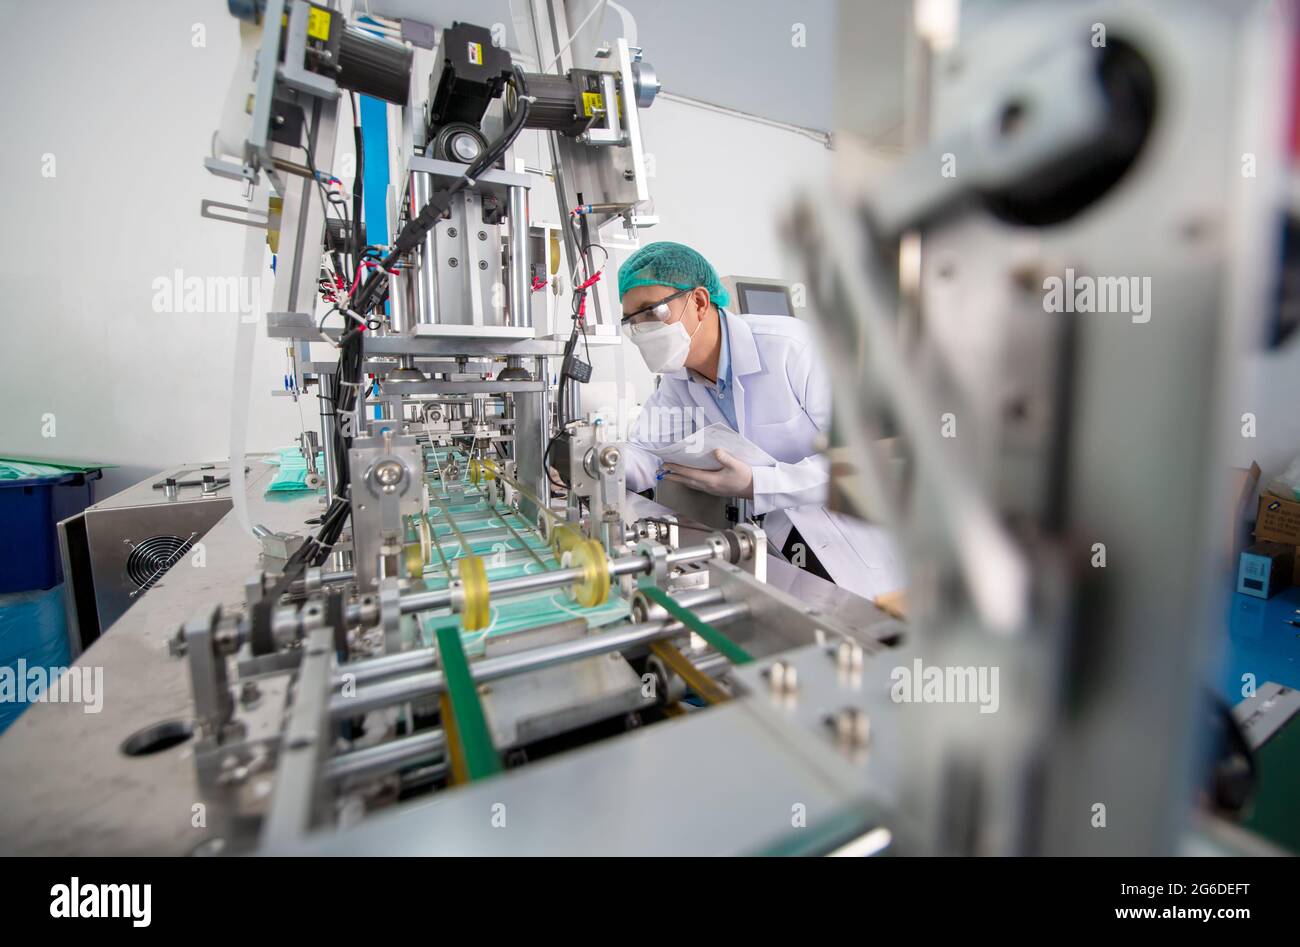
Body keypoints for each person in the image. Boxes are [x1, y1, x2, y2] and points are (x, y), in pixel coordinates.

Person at [616, 241, 904, 600]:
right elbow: (646, 453)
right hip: (784, 550)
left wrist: (758, 483)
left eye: (650, 312)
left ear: (700, 303)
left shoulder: (793, 350)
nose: (642, 329)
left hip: (859, 550)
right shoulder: (679, 380)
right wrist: (598, 460)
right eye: (632, 321)